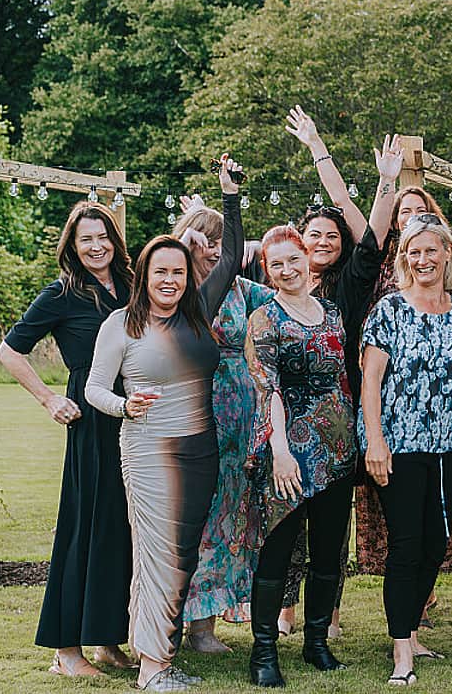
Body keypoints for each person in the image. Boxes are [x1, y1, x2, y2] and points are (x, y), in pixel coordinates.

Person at [85, 160, 245, 691]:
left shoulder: (198, 312)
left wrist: (229, 198)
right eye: (161, 272)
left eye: (178, 271)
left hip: (200, 451)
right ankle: (153, 668)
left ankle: (158, 655)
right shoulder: (121, 324)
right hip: (150, 451)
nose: (171, 280)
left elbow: (234, 258)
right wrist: (123, 407)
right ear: (146, 276)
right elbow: (93, 390)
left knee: (180, 554)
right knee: (156, 555)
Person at [360, 218, 452, 686]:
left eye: (430, 251)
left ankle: (413, 629)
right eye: (413, 252)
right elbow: (371, 381)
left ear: (448, 255)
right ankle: (402, 648)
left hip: (451, 446)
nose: (423, 260)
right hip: (399, 447)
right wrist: (375, 440)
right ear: (405, 259)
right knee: (406, 544)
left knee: (437, 544)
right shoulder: (390, 311)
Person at [277, 111, 405, 637]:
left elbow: (370, 227)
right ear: (300, 245)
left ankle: (324, 615)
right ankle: (285, 608)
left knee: (334, 521)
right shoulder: (281, 290)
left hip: (341, 414)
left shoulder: (352, 285)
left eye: (332, 234)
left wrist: (386, 182)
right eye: (314, 235)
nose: (324, 240)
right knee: (290, 517)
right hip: (290, 415)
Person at [0, 201, 136, 678]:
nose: (96, 247)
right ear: (73, 248)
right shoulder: (60, 294)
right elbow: (9, 351)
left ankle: (106, 641)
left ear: (115, 240)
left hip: (133, 414)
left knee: (119, 530)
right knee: (84, 528)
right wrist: (48, 399)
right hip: (90, 416)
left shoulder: (131, 286)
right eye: (86, 240)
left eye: (103, 237)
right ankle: (66, 652)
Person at [242, 224, 361, 687]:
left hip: (335, 450)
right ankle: (264, 651)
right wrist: (280, 450)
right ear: (268, 272)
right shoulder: (265, 319)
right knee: (276, 551)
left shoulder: (331, 312)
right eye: (277, 264)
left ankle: (316, 643)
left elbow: (343, 380)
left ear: (307, 259)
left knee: (329, 551)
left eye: (294, 259)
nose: (288, 270)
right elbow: (267, 386)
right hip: (287, 451)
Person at [174, 187, 275, 653]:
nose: (214, 249)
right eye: (206, 240)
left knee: (229, 518)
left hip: (241, 417)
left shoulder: (240, 287)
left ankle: (206, 625)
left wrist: (275, 255)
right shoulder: (178, 288)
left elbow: (283, 300)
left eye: (222, 241)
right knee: (193, 516)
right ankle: (179, 621)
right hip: (198, 409)